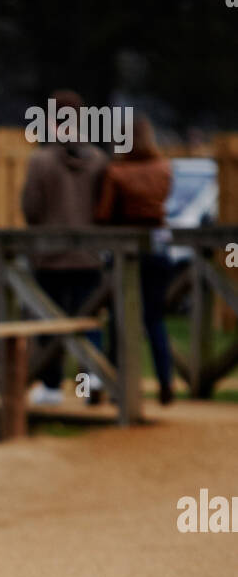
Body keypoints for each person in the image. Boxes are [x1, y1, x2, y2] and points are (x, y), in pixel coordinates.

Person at [21, 90, 108, 404]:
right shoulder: (98, 160)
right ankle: (92, 380)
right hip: (89, 257)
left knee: (50, 323)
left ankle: (52, 387)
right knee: (89, 321)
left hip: (49, 257)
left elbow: (30, 208)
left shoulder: (41, 160)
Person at [95, 116, 174, 405]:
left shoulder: (117, 172)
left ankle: (118, 384)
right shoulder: (164, 168)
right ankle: (165, 381)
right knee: (154, 320)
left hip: (126, 251)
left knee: (119, 319)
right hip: (159, 248)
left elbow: (103, 214)